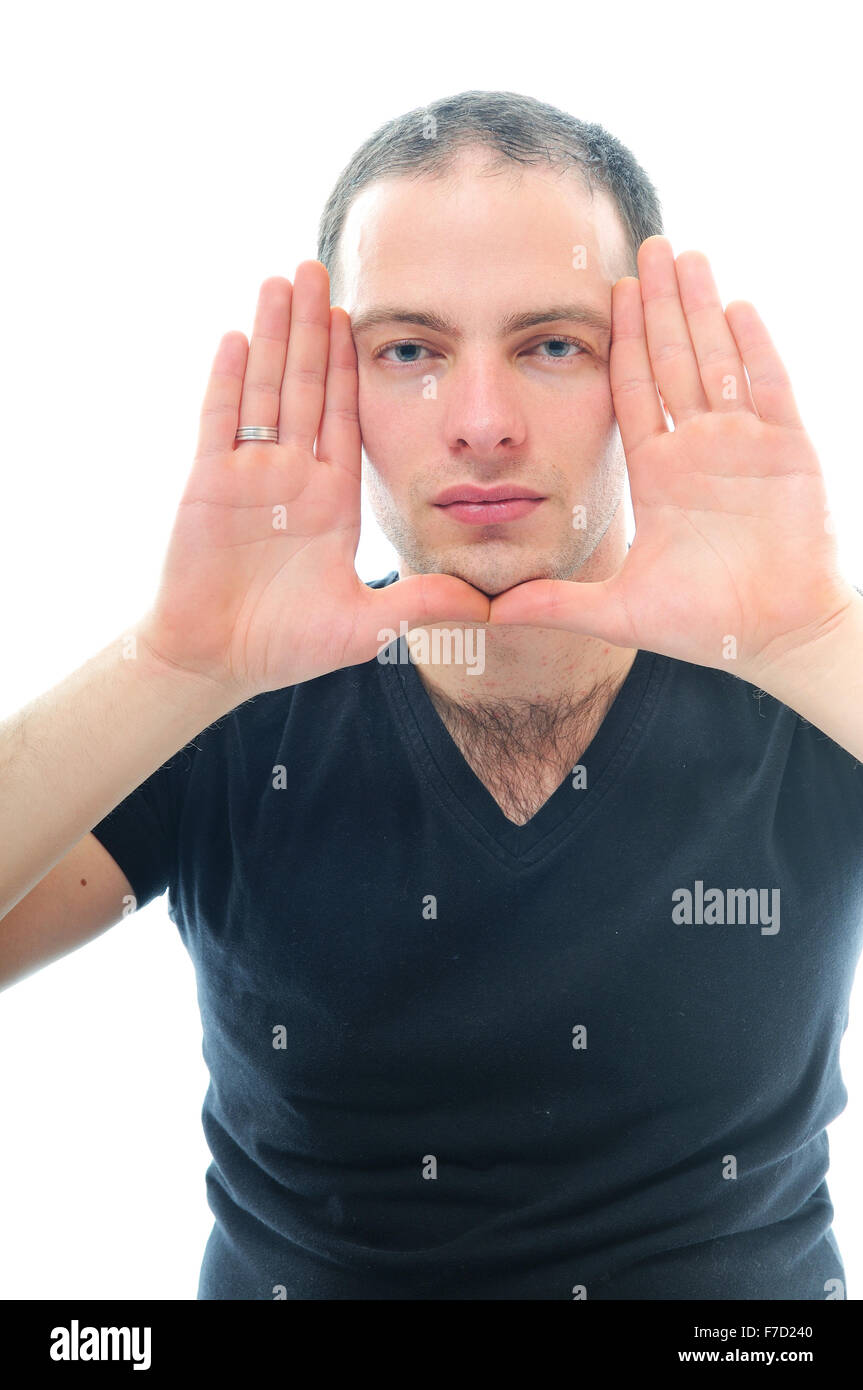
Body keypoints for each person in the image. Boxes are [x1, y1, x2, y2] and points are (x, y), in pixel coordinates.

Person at [3, 90, 863, 1301]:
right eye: (408, 350)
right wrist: (172, 668)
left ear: (644, 370)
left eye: (550, 345)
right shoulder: (232, 698)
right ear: (338, 386)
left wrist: (821, 637)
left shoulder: (806, 686)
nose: (480, 425)